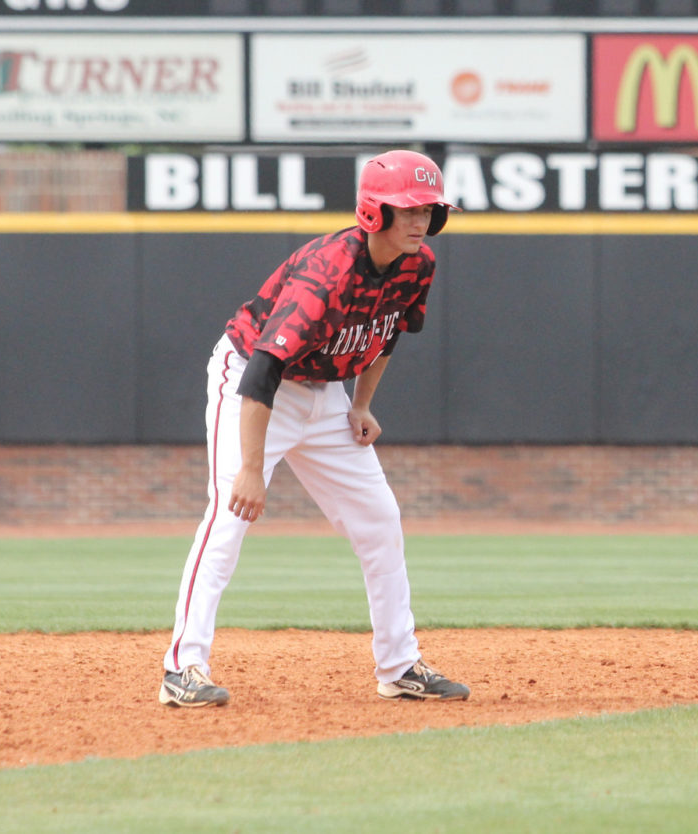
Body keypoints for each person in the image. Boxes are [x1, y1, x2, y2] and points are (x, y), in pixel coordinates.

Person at [159, 149, 469, 707]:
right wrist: (252, 470)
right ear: (375, 212)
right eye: (409, 208)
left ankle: (399, 665)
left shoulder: (417, 266)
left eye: (429, 208)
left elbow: (387, 332)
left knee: (379, 518)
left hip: (325, 393)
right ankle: (182, 668)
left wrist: (362, 404)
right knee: (228, 516)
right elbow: (261, 371)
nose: (422, 220)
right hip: (251, 381)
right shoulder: (328, 271)